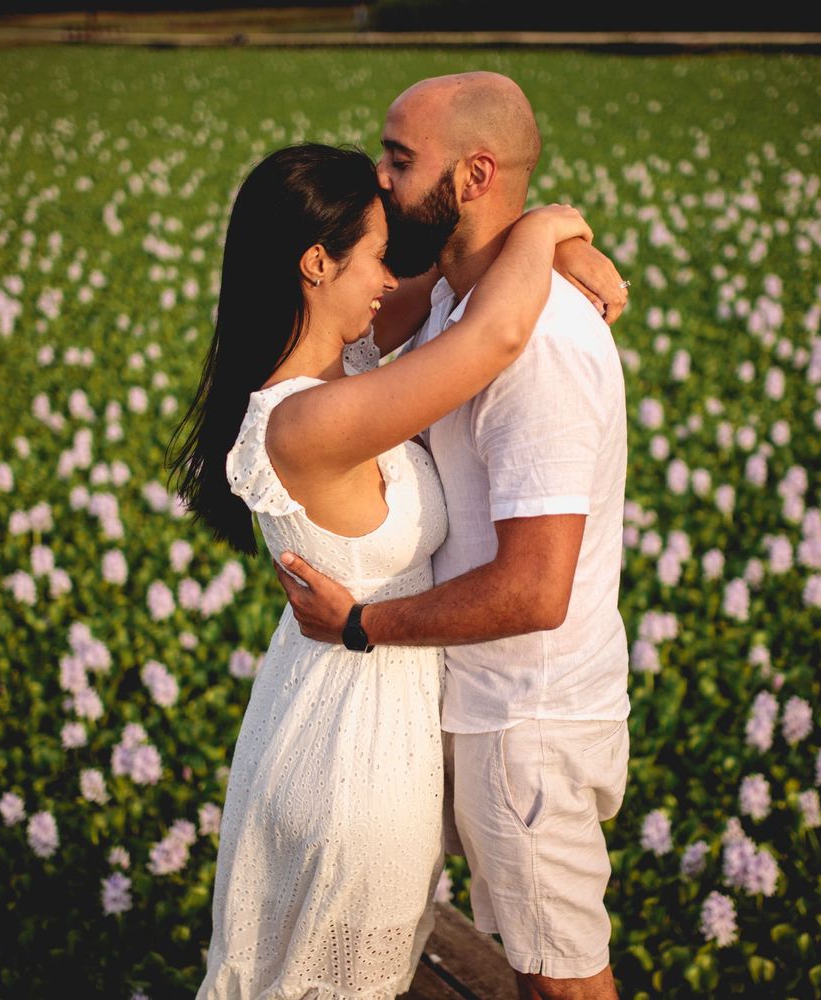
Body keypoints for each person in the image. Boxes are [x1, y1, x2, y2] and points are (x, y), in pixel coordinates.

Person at [168, 140, 619, 999]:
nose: (388, 279)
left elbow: (459, 269)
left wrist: (551, 245)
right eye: (375, 258)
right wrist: (553, 224)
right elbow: (493, 333)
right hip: (353, 755)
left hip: (348, 718)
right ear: (315, 263)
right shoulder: (308, 424)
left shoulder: (349, 366)